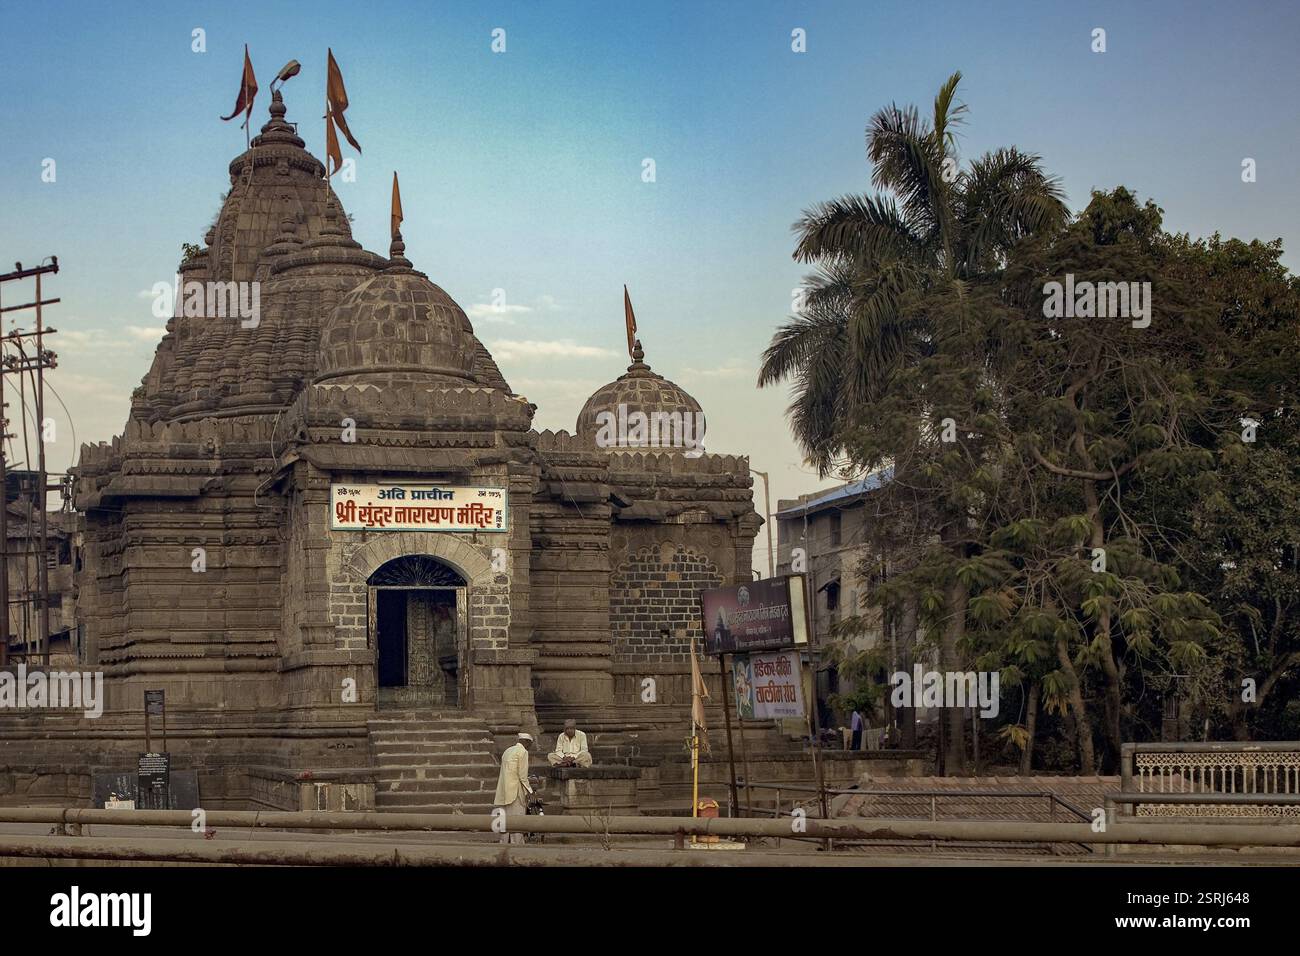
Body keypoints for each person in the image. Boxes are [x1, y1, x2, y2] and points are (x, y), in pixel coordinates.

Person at [494, 732, 534, 844]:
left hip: (503, 791)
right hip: (515, 791)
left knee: (504, 821)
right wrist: (530, 792)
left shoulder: (508, 751)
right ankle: (517, 846)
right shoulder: (523, 752)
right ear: (526, 742)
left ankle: (503, 844)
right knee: (517, 820)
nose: (530, 747)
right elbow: (522, 776)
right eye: (530, 744)